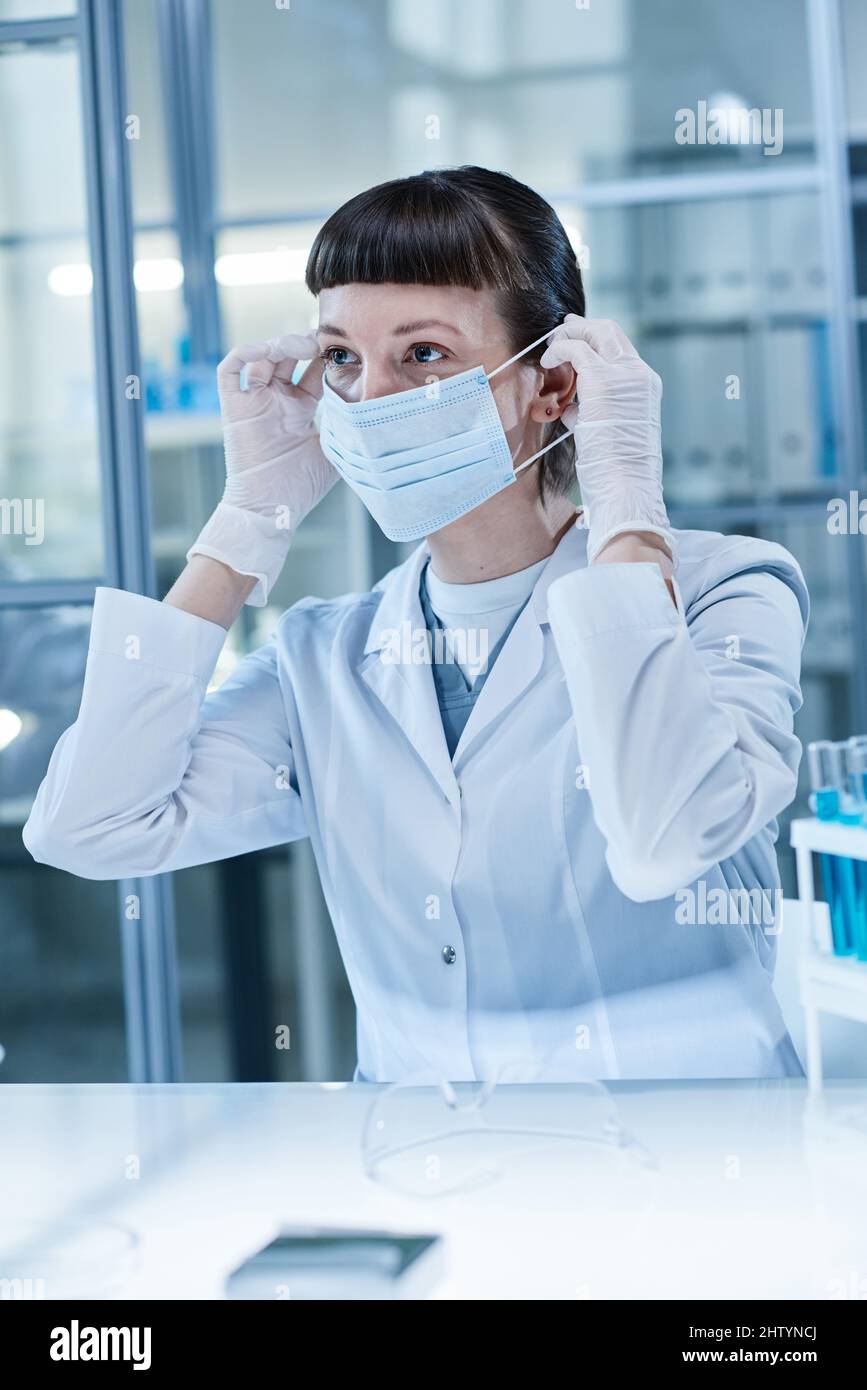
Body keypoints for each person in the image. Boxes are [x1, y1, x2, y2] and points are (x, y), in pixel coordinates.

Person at [23, 167, 809, 1082]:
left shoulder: (726, 589)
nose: (370, 397)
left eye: (424, 353)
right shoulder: (324, 656)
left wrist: (629, 510)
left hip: (693, 1146)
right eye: (342, 358)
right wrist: (242, 525)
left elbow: (663, 841)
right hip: (420, 1152)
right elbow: (90, 827)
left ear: (553, 385)